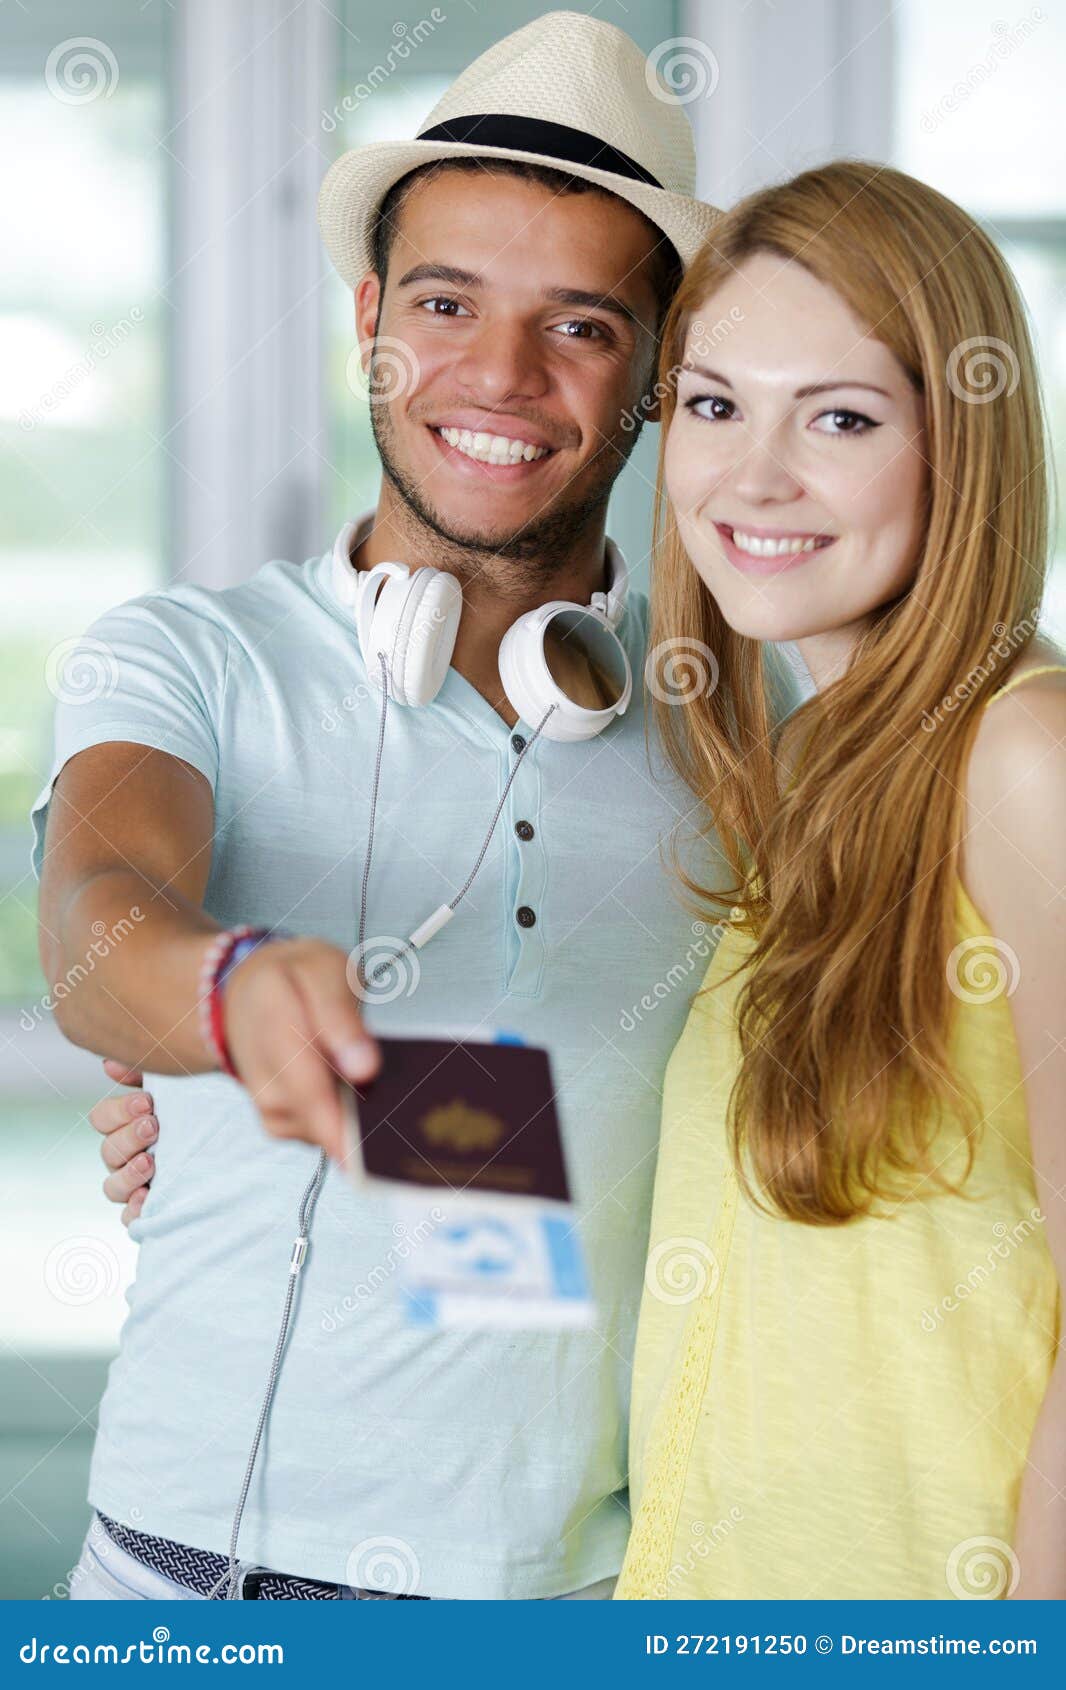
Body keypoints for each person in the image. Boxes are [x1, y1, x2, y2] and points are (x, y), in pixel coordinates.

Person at [32, 14, 782, 1602]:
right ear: (369, 318)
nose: (497, 378)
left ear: (657, 374)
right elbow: (100, 929)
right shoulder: (191, 657)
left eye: (579, 325)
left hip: (573, 1593)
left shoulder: (745, 729)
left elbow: (510, 1190)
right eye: (444, 302)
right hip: (192, 1585)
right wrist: (230, 998)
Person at [612, 160, 1065, 1600]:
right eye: (713, 404)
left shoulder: (1022, 756)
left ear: (960, 447)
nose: (752, 476)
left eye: (843, 418)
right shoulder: (803, 774)